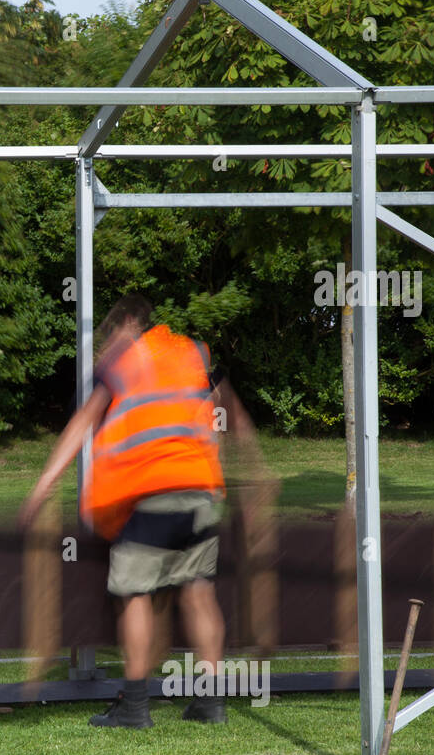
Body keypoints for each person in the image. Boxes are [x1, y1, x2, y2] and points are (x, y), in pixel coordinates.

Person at [18, 292, 258, 729]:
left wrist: (41, 488)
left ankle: (133, 705)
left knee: (134, 594)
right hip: (202, 491)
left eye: (111, 330)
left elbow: (81, 424)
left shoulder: (122, 360)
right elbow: (220, 407)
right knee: (199, 591)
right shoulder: (189, 352)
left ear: (129, 323)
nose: (107, 341)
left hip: (153, 489)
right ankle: (210, 700)